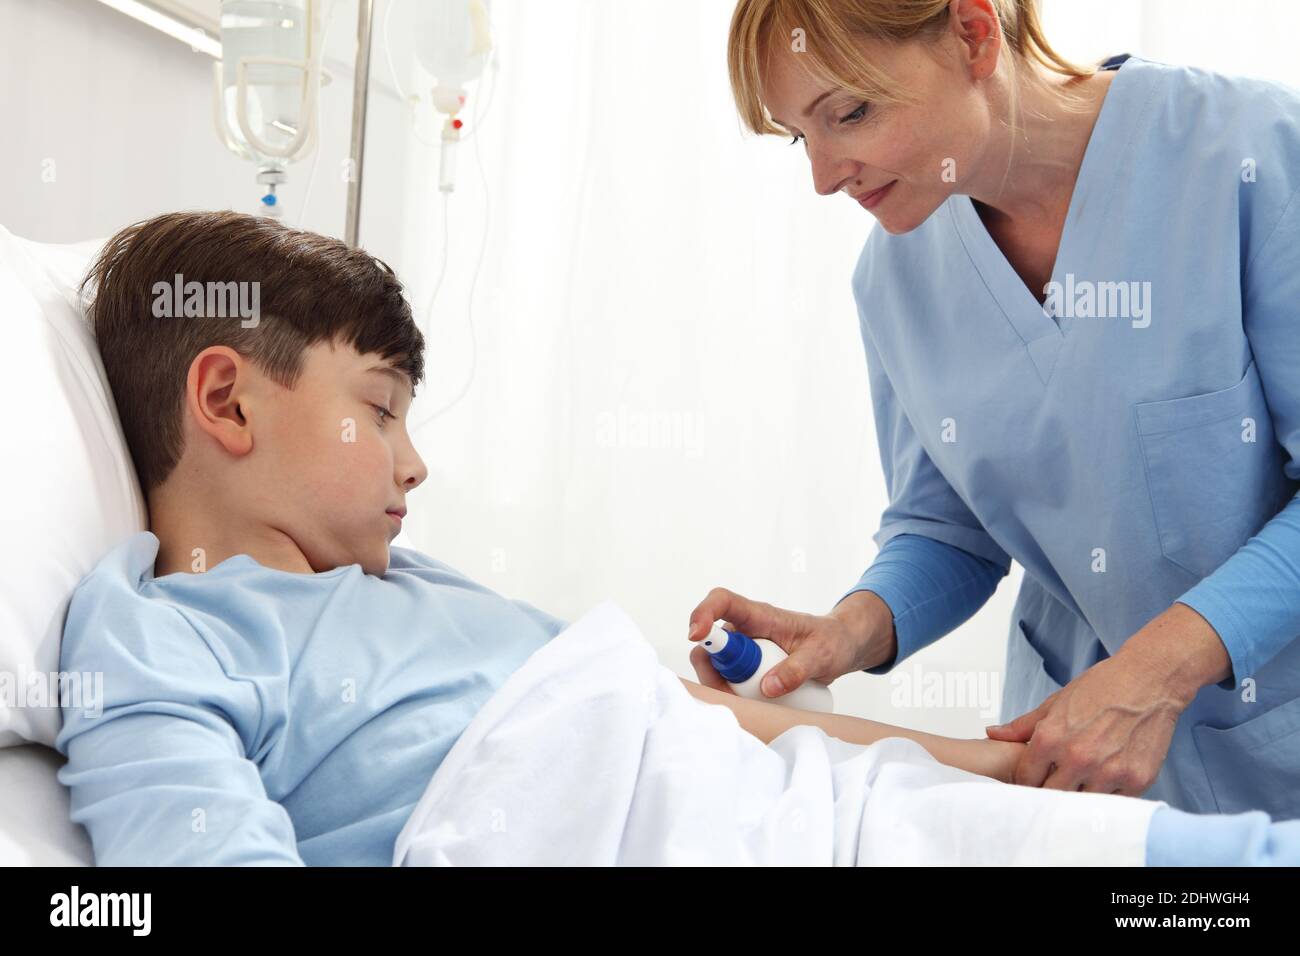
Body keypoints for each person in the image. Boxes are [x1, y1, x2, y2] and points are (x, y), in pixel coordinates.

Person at [56, 210, 1023, 866]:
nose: (413, 463)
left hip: (821, 820)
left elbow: (684, 715)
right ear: (227, 400)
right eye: (381, 411)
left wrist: (991, 767)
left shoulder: (427, 590)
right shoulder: (160, 637)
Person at [691, 0, 1300, 823]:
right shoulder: (896, 278)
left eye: (850, 113)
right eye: (804, 136)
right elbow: (947, 531)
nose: (824, 175)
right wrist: (851, 630)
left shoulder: (1246, 155)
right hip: (1069, 772)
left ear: (974, 35)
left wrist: (1156, 670)